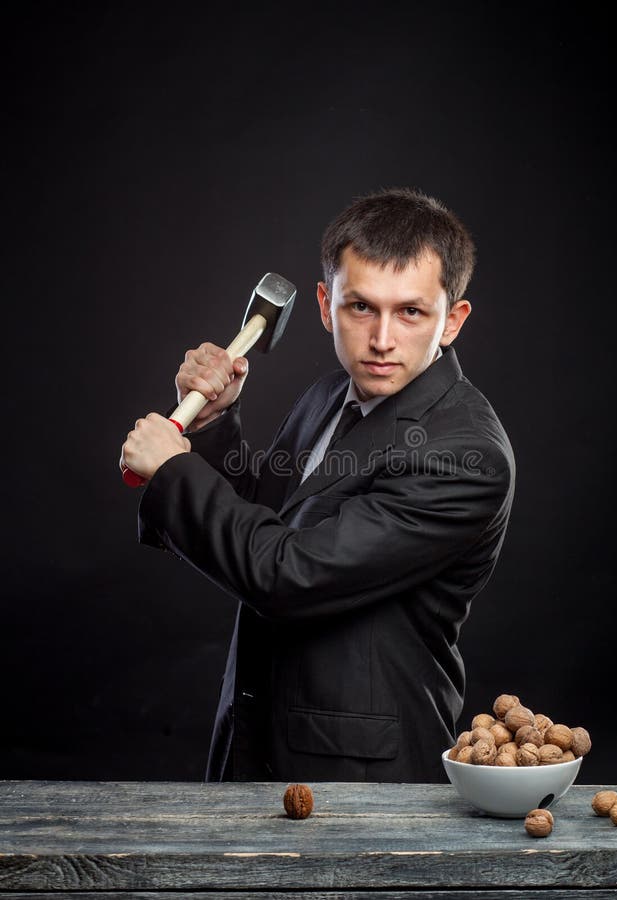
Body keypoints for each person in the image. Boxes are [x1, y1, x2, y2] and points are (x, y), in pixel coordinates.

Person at [120, 187, 515, 783]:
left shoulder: (465, 454)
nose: (382, 340)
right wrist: (210, 425)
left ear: (452, 320)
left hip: (360, 775)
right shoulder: (330, 394)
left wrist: (173, 471)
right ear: (326, 306)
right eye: (362, 308)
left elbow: (287, 572)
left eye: (410, 312)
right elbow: (264, 519)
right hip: (255, 739)